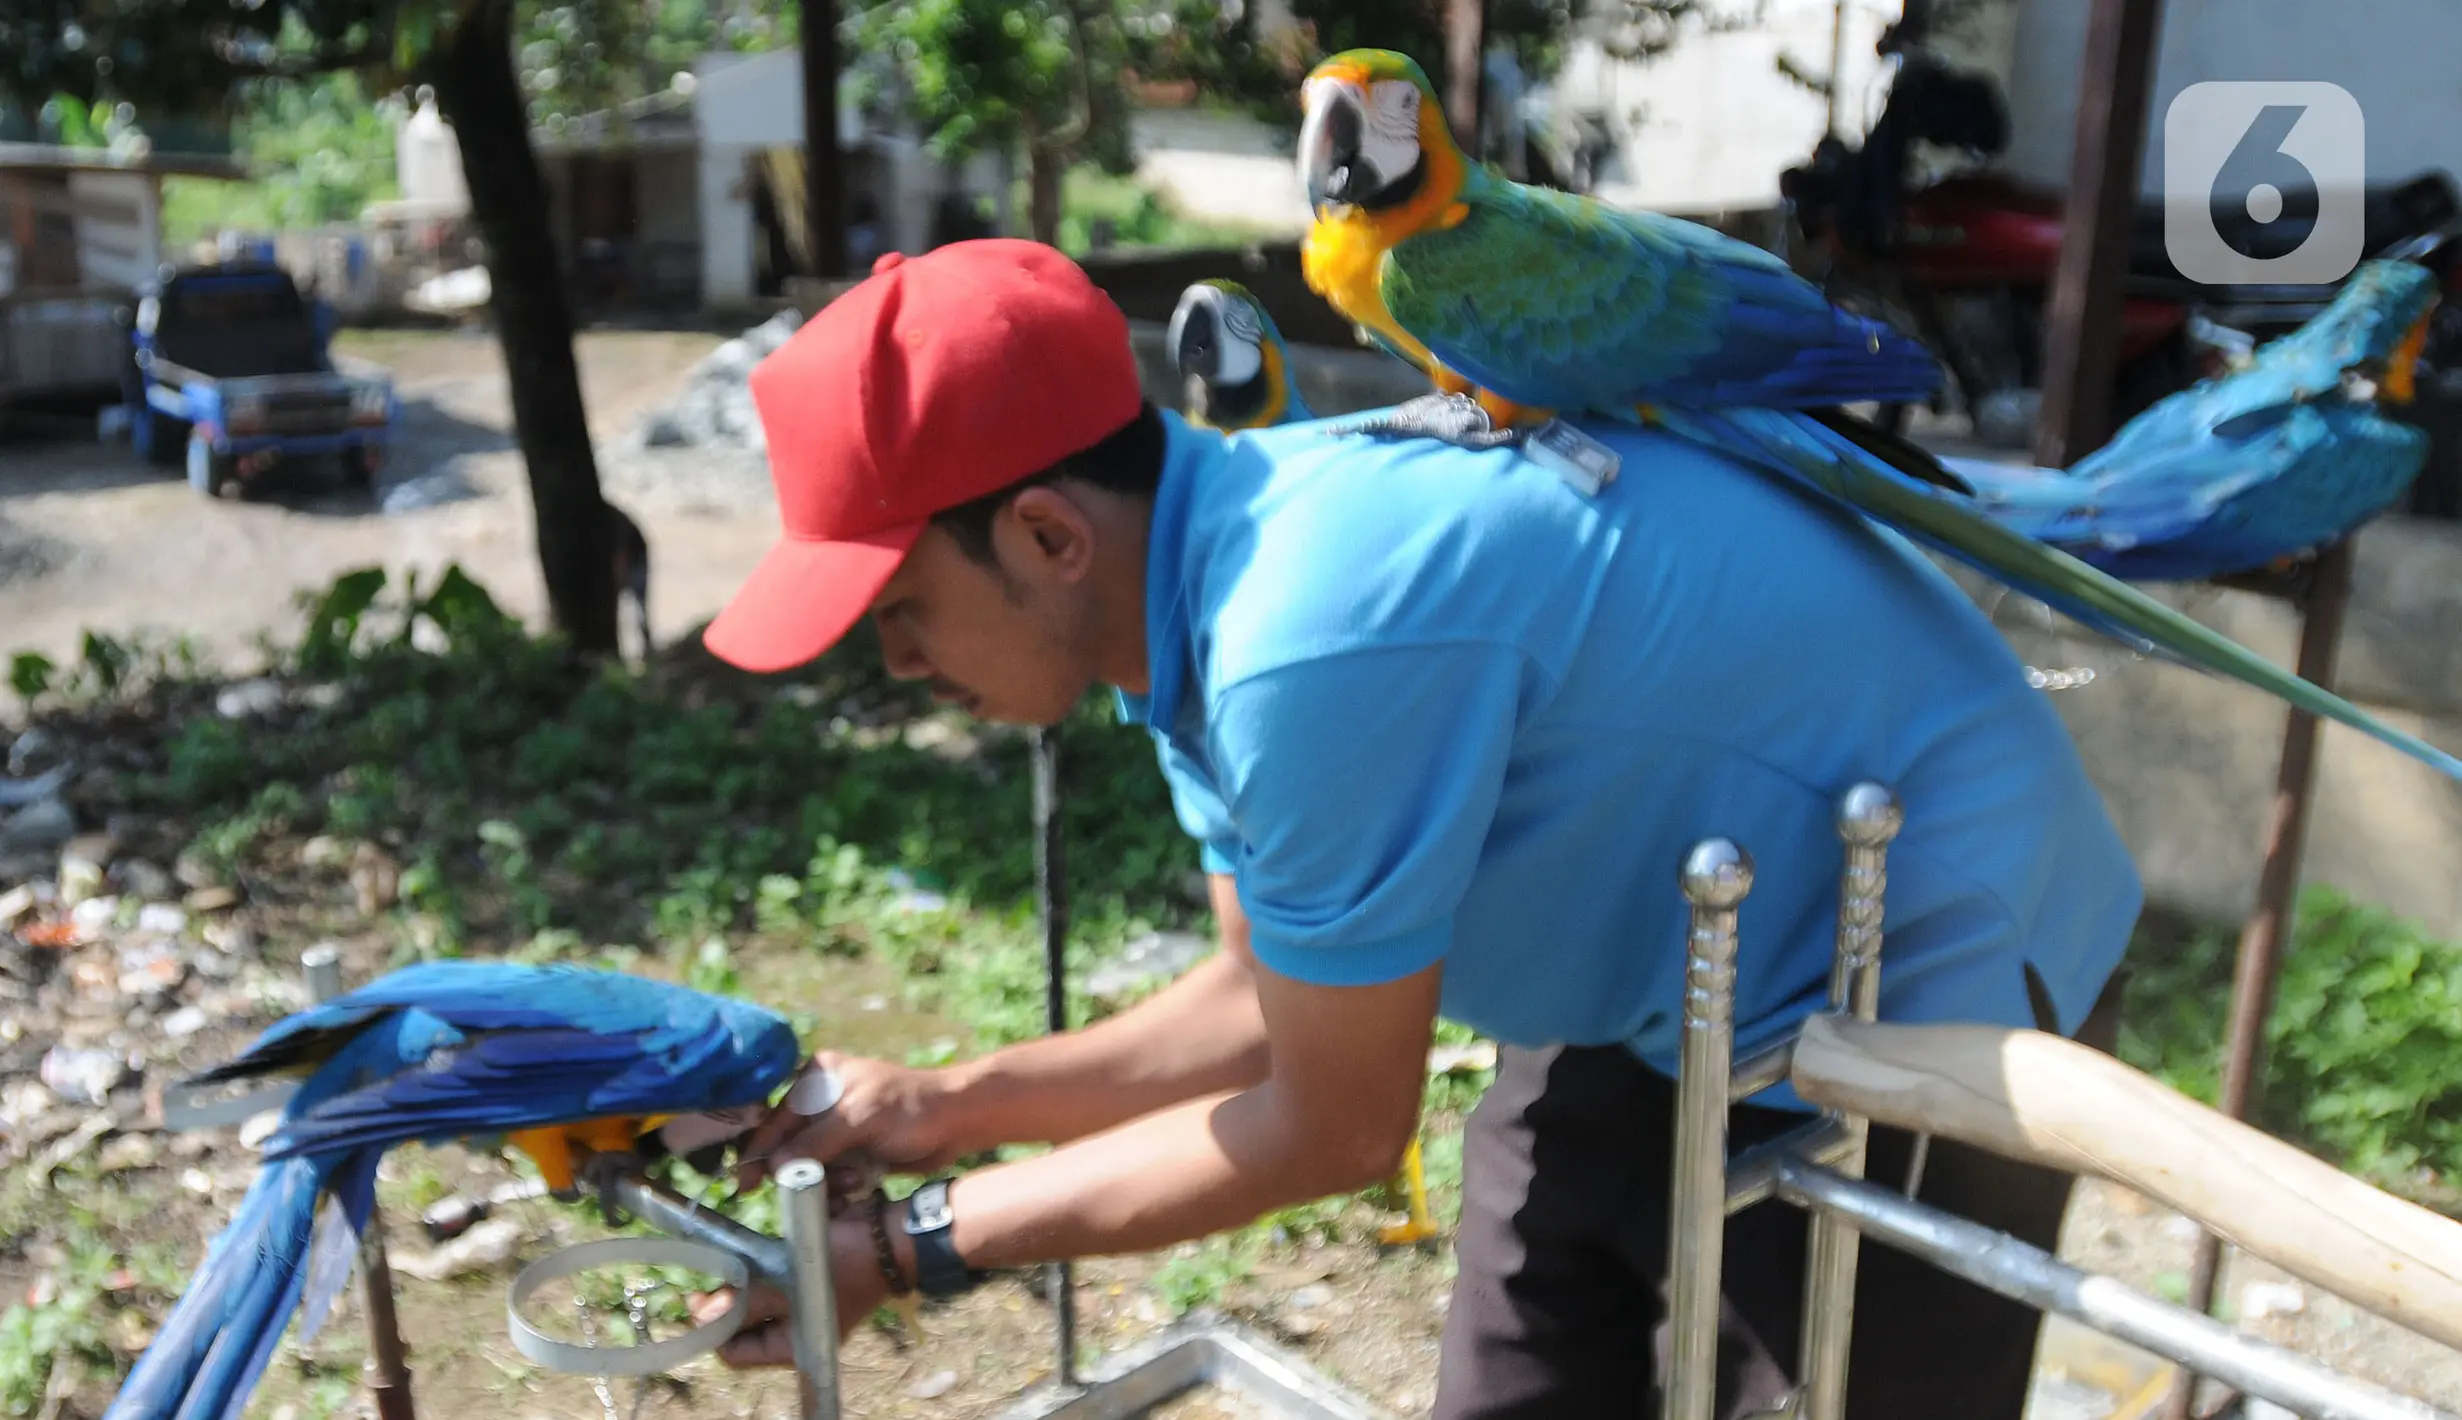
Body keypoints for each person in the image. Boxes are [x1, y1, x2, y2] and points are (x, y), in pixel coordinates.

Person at [687, 238, 2144, 1419]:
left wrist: (913, 1244)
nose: (895, 667)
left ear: (1048, 538)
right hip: (1666, 946)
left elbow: (1330, 1125)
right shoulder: (1199, 587)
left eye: (899, 617)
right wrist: (941, 1109)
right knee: (1517, 1377)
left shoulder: (1304, 641)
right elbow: (1265, 1013)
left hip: (1919, 961)